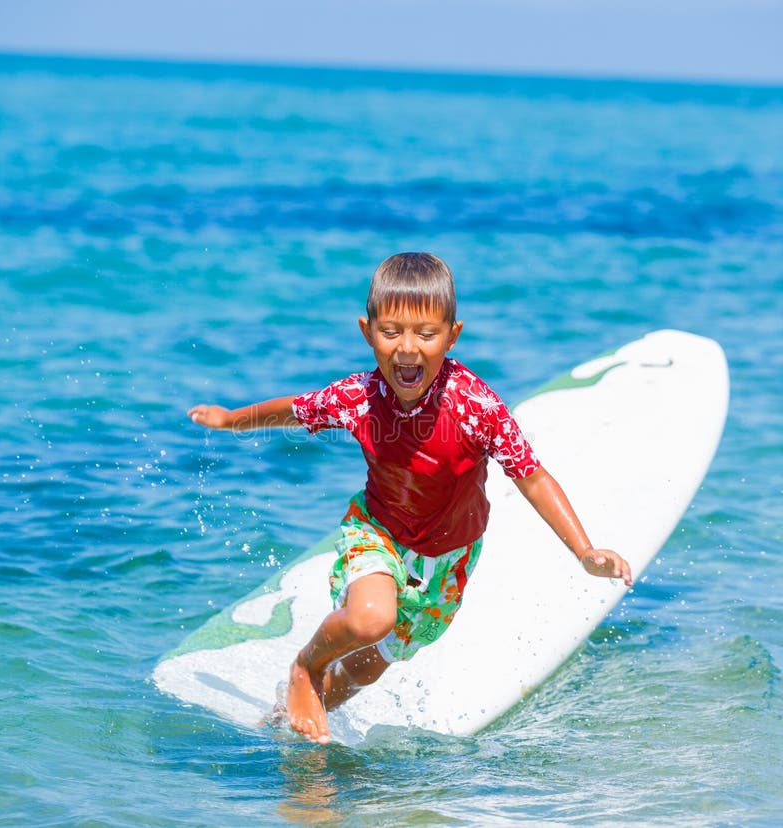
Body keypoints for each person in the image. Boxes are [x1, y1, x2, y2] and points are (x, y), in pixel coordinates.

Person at [188, 252, 632, 745]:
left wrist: (584, 551)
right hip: (378, 531)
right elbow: (295, 409)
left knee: (368, 668)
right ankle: (303, 669)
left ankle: (288, 720)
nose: (407, 349)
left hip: (449, 560)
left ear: (452, 335)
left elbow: (531, 476)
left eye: (426, 333)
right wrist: (232, 420)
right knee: (371, 618)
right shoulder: (360, 396)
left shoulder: (476, 407)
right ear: (367, 330)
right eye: (391, 331)